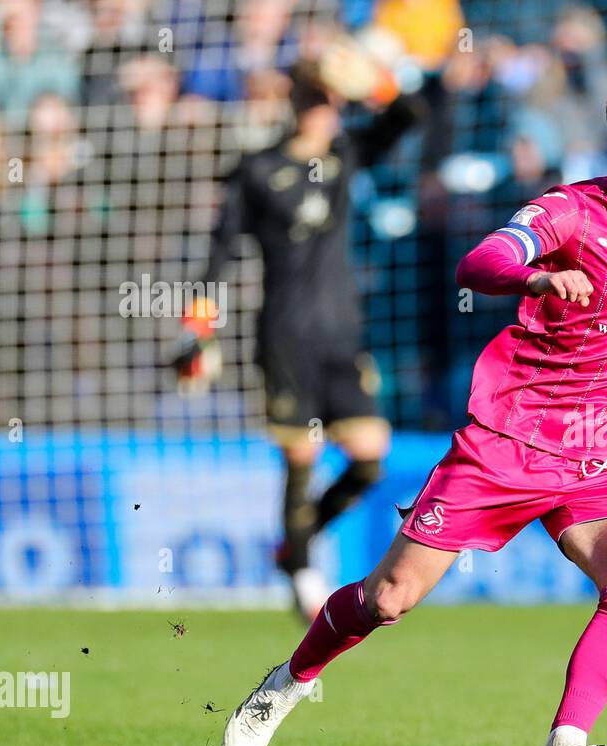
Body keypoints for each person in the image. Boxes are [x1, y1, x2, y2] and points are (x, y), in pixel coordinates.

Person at [220, 73, 607, 746]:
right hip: (509, 442)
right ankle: (288, 681)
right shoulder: (568, 213)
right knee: (388, 599)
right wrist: (537, 283)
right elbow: (480, 262)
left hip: (600, 453)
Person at [174, 44, 427, 619]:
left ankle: (296, 545)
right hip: (286, 335)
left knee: (368, 456)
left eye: (330, 100)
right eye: (314, 99)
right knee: (301, 455)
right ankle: (305, 574)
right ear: (295, 103)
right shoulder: (257, 170)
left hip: (342, 334)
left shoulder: (346, 154)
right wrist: (198, 334)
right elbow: (218, 257)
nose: (323, 110)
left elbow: (412, 114)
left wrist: (376, 83)